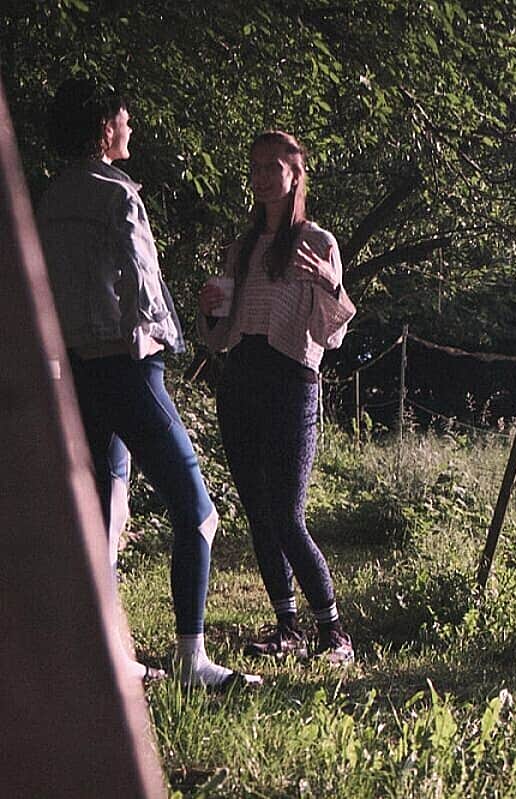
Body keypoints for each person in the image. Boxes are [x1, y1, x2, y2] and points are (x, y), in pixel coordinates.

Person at [37, 78, 259, 689]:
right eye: (123, 117)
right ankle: (192, 658)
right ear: (104, 127)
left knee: (104, 514)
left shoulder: (46, 201)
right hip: (130, 367)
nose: (130, 125)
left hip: (76, 371)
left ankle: (103, 656)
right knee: (197, 511)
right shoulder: (118, 197)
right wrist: (183, 344)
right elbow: (143, 295)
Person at [199, 131, 356, 665]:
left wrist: (332, 285)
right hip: (240, 381)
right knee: (259, 513)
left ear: (295, 174)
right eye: (255, 166)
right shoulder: (241, 248)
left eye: (273, 167)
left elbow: (329, 334)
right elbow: (219, 335)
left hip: (290, 384)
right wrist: (210, 308)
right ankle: (286, 626)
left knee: (287, 514)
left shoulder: (318, 242)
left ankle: (334, 633)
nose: (262, 176)